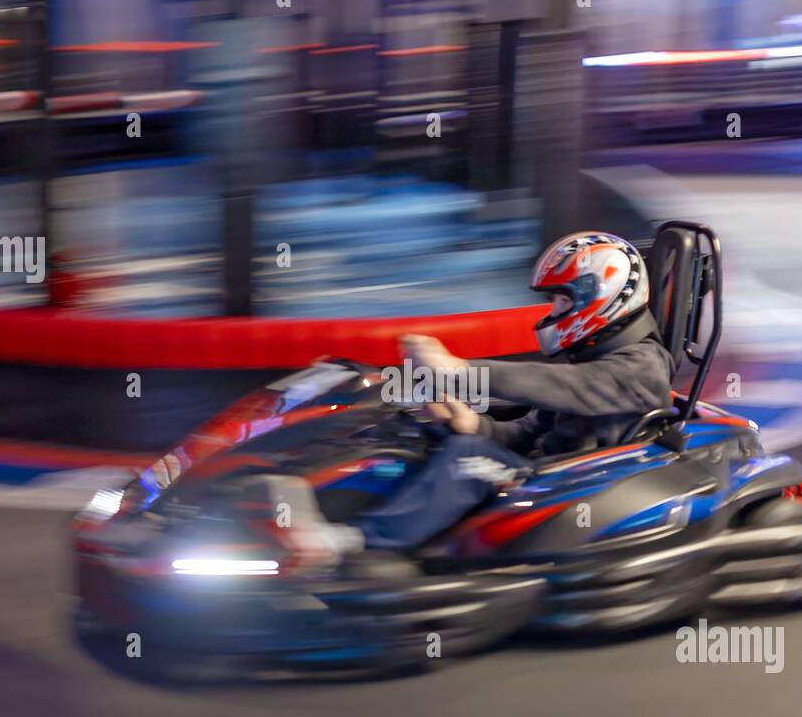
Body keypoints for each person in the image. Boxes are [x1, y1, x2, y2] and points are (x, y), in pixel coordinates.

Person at [268, 231, 676, 569]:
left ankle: (350, 543)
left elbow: (570, 386)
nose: (554, 312)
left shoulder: (641, 366)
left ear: (602, 297)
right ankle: (318, 489)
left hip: (572, 482)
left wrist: (460, 370)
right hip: (547, 466)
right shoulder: (592, 356)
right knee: (426, 430)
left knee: (468, 462)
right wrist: (473, 424)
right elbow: (534, 428)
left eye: (563, 301)